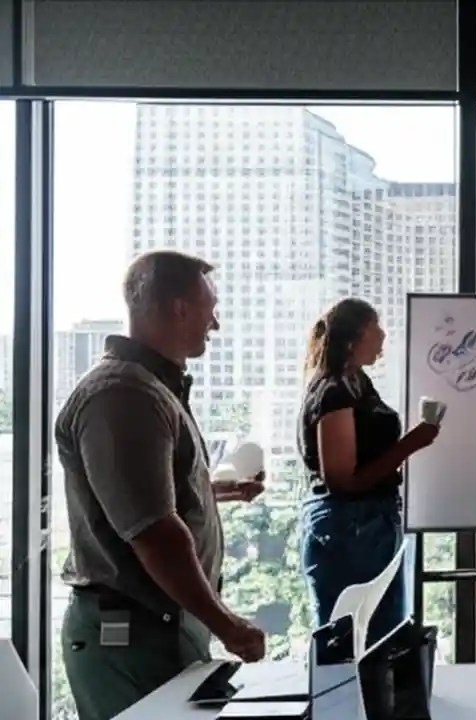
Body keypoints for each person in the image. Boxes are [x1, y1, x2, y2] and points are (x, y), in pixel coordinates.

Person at [55, 251, 266, 720]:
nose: (216, 323)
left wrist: (218, 492)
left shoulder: (148, 388)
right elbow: (152, 531)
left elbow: (150, 495)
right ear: (178, 307)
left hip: (153, 630)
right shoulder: (123, 395)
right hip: (132, 638)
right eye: (211, 307)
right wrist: (226, 624)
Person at [297, 298, 440, 646]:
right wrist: (410, 444)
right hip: (352, 526)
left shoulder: (355, 382)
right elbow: (343, 479)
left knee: (379, 633)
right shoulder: (334, 391)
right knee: (358, 640)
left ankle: (376, 700)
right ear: (354, 337)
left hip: (367, 523)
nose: (383, 335)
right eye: (375, 327)